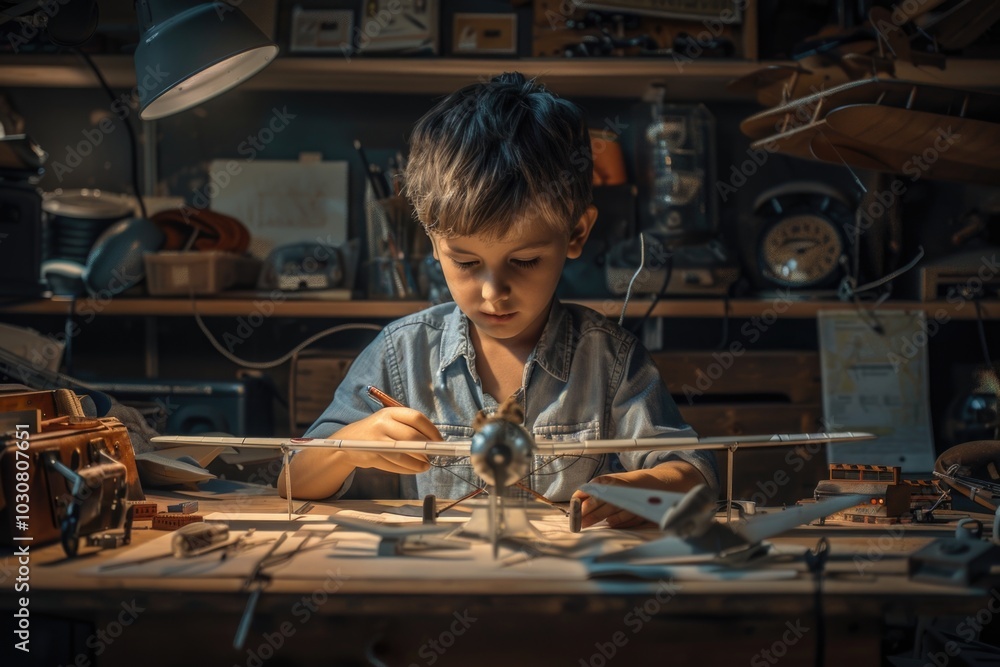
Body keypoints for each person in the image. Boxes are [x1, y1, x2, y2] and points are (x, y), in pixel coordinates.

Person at [284, 72, 718, 528]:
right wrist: (351, 443)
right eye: (467, 263)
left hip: (565, 590)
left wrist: (639, 488)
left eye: (525, 260)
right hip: (437, 581)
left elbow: (695, 474)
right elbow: (292, 481)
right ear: (433, 242)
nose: (493, 292)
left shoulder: (608, 360)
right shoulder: (401, 353)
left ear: (576, 233)